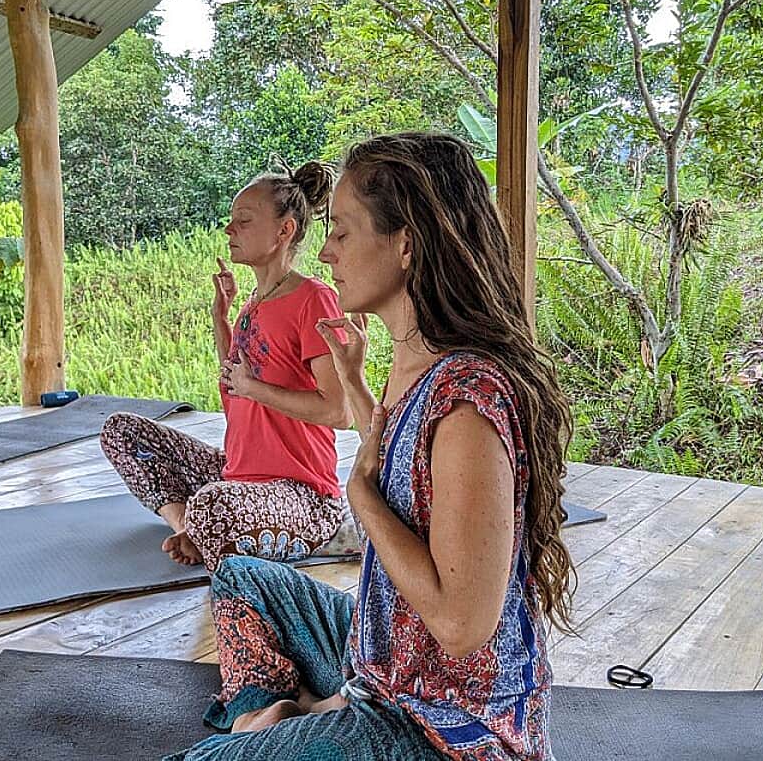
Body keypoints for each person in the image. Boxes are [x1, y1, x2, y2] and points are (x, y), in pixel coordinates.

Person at [165, 132, 577, 761]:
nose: (325, 252)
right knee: (242, 576)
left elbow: (464, 627)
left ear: (404, 244)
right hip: (387, 660)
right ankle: (269, 716)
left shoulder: (468, 403)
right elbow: (392, 447)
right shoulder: (416, 362)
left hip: (442, 727)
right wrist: (354, 380)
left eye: (342, 231)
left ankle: (286, 721)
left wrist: (362, 498)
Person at [100, 160, 351, 571]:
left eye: (244, 221)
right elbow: (238, 387)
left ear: (284, 231)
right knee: (121, 430)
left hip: (301, 494)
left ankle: (203, 526)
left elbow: (339, 411)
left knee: (215, 504)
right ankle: (188, 526)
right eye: (232, 221)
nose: (230, 230)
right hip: (237, 476)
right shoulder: (253, 306)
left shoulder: (314, 299)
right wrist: (222, 320)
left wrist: (256, 390)